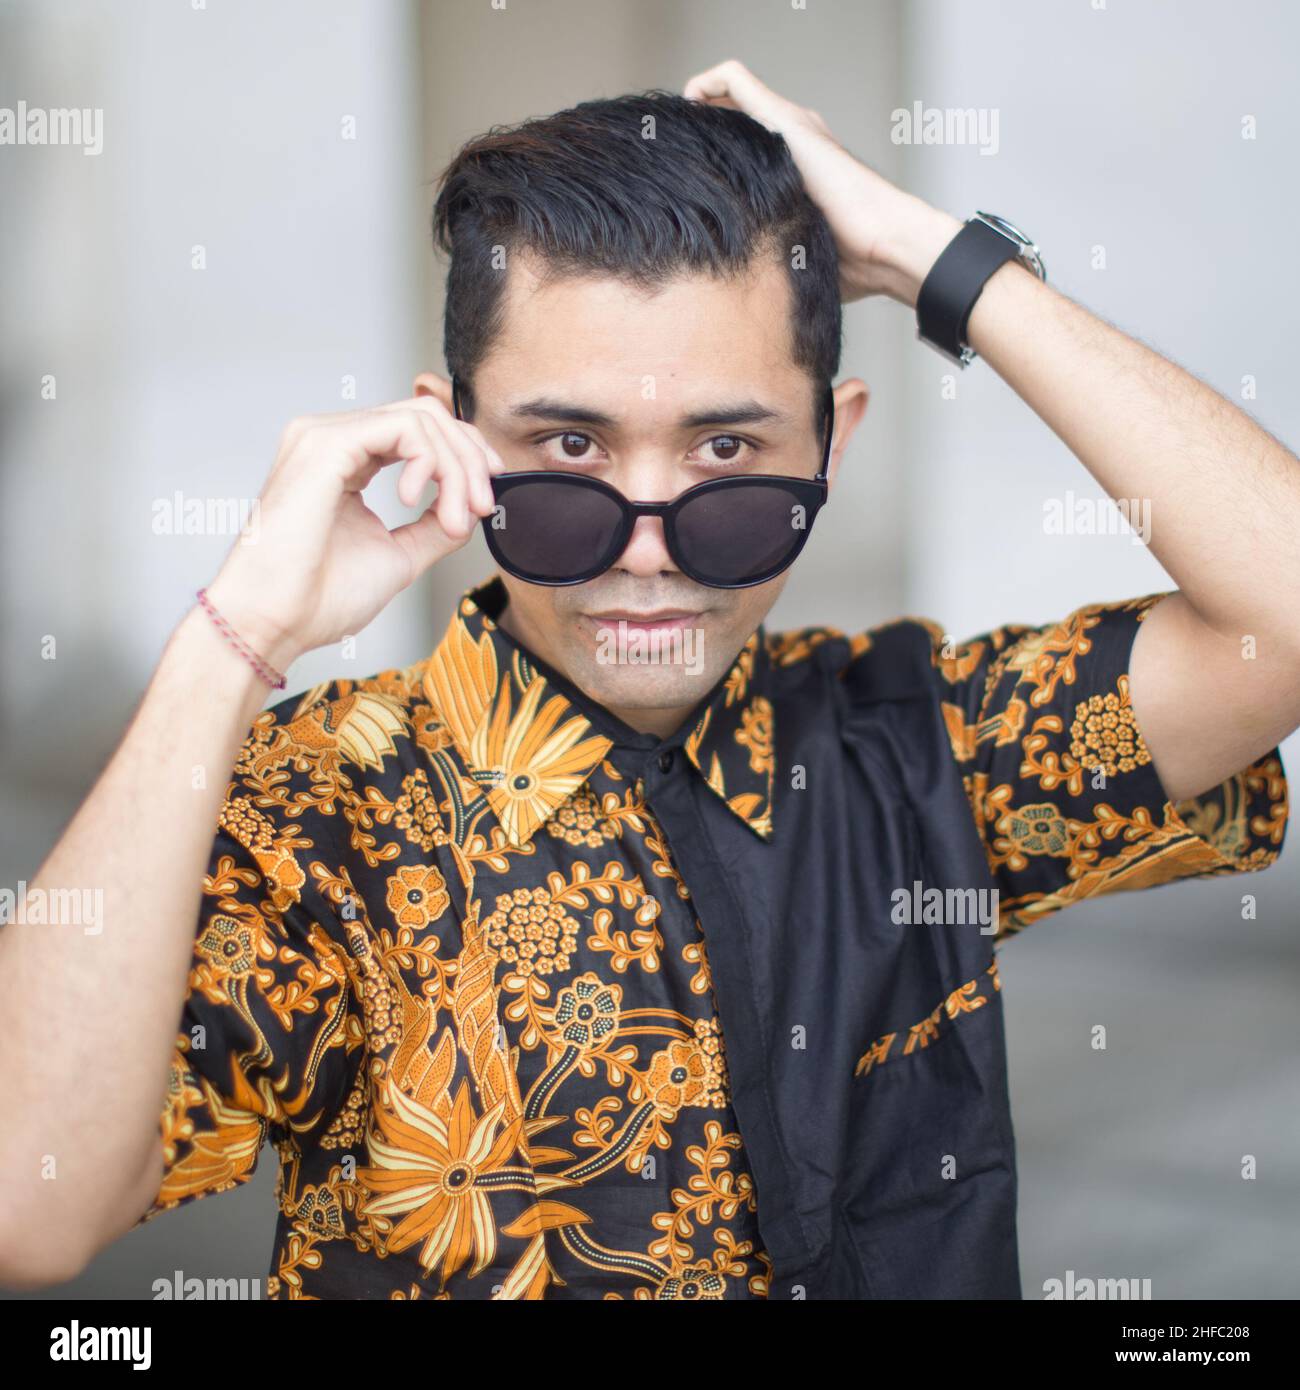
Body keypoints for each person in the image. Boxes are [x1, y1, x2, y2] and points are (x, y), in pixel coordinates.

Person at [0, 60, 1293, 1301]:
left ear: (829, 446)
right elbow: (27, 1205)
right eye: (570, 447)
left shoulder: (925, 755)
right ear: (449, 439)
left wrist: (926, 255)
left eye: (725, 451)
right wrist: (233, 634)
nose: (648, 550)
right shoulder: (323, 814)